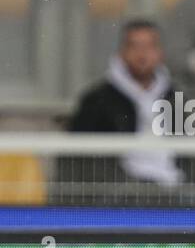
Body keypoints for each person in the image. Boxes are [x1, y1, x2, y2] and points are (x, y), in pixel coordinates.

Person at [68, 19, 184, 188]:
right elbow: (79, 156)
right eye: (135, 46)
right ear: (122, 52)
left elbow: (190, 153)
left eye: (149, 46)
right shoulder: (97, 100)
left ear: (160, 53)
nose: (142, 54)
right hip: (120, 191)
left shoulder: (176, 97)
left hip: (174, 186)